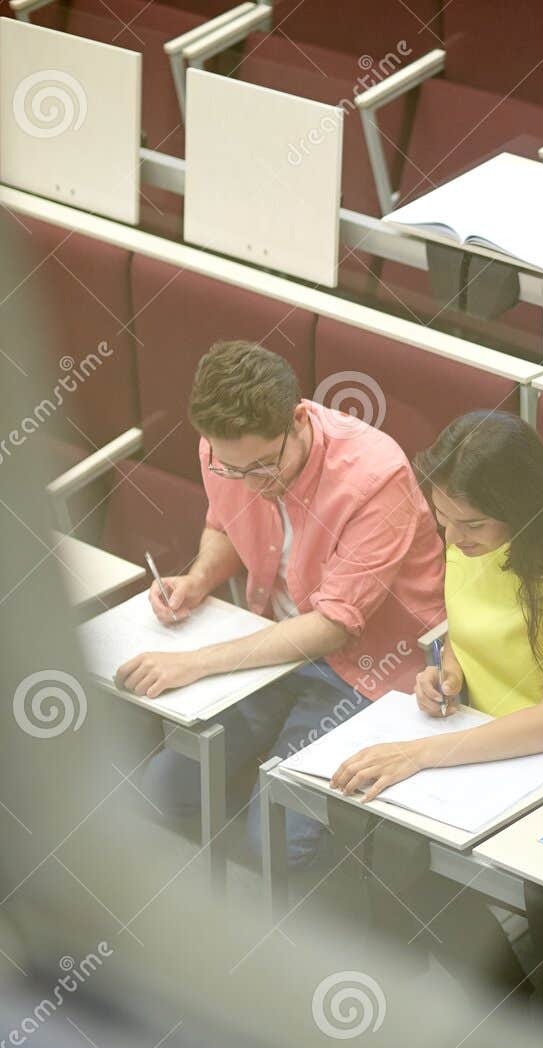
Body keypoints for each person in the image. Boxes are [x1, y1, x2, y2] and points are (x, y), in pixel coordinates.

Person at [129, 341, 444, 868]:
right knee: (165, 791)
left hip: (370, 671)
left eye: (262, 467)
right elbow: (223, 523)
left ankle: (337, 884)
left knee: (274, 842)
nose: (250, 482)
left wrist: (193, 664)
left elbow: (333, 629)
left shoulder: (374, 476)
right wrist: (199, 577)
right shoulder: (224, 451)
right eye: (231, 468)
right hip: (274, 645)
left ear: (299, 418)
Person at [331, 410, 543, 801]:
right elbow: (466, 631)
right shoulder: (468, 546)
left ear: (522, 510)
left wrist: (417, 754)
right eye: (442, 518)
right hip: (493, 744)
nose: (452, 537)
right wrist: (449, 674)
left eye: (472, 524)